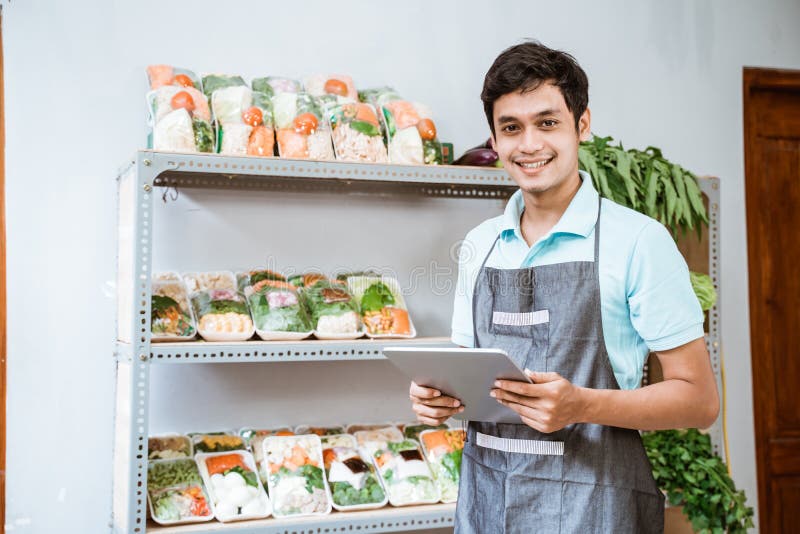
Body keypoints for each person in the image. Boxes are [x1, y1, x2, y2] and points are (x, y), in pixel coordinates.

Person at [408, 41, 719, 533]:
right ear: (494, 137)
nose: (529, 144)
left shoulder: (638, 242)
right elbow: (470, 377)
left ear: (582, 123)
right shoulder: (480, 244)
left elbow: (699, 400)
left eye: (547, 122)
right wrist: (440, 399)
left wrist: (582, 405)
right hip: (489, 506)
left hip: (596, 509)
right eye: (511, 127)